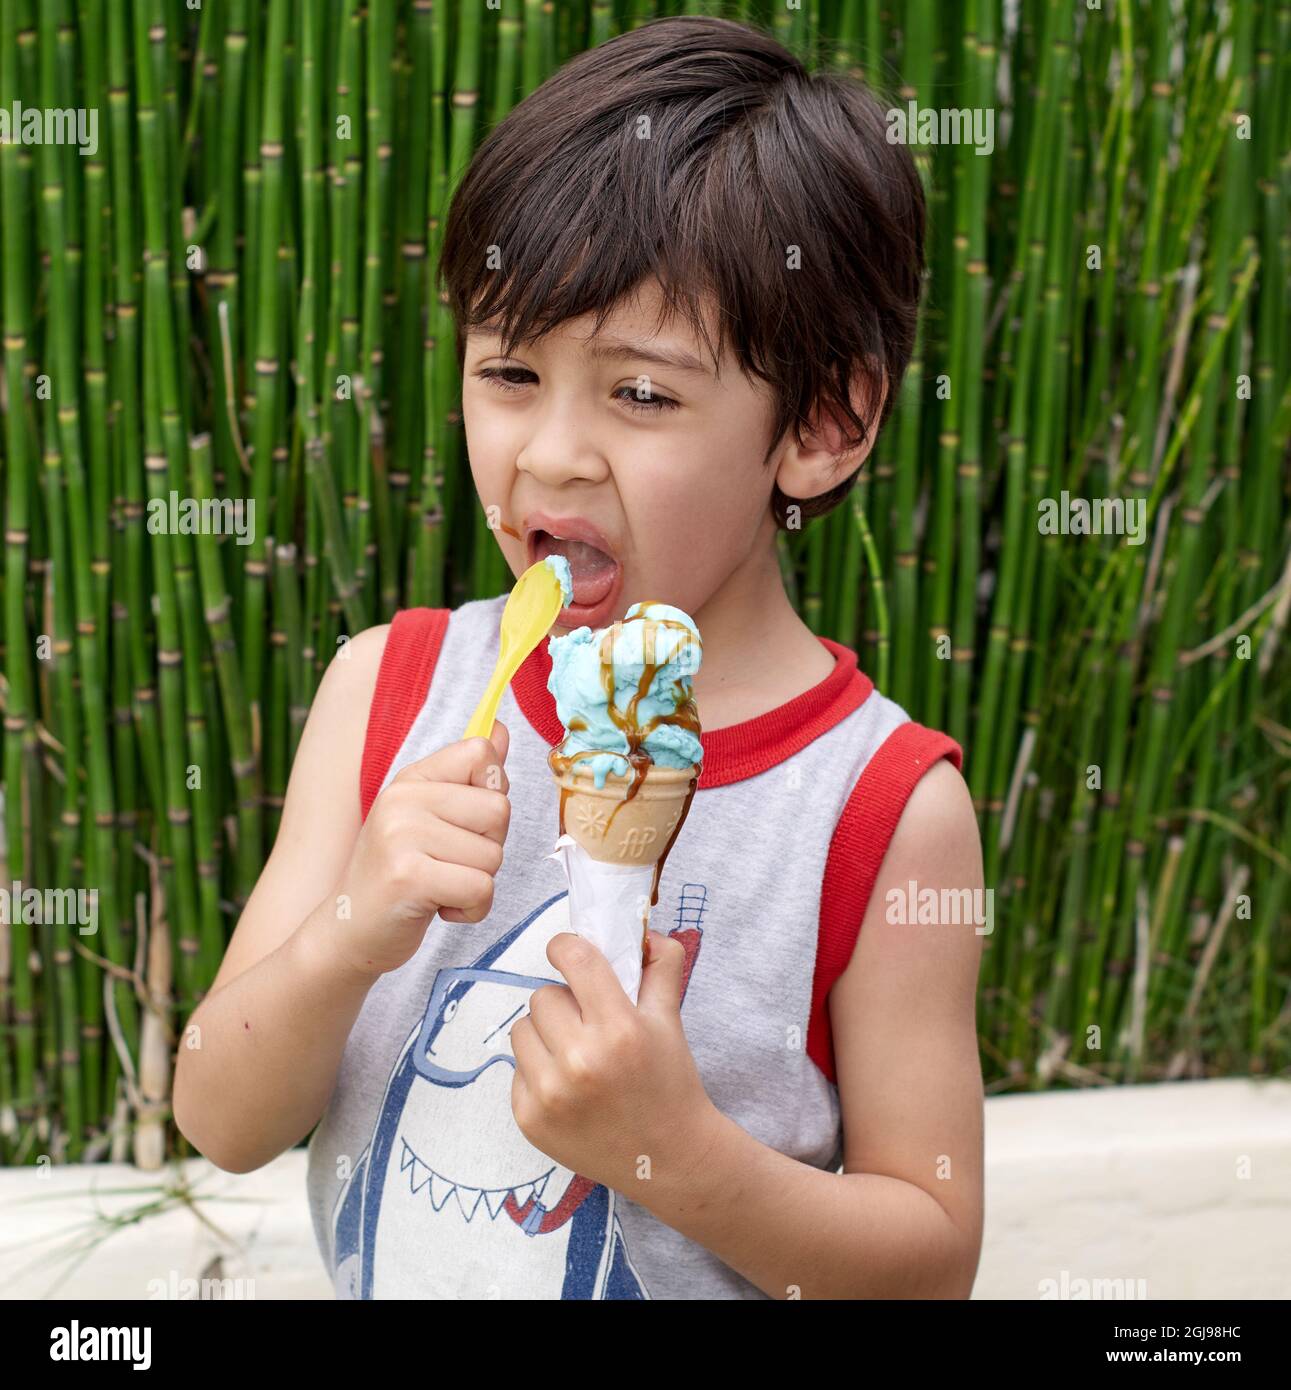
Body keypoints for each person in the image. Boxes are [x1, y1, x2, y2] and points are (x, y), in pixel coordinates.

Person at [173, 14, 985, 1300]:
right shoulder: (390, 691)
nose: (548, 455)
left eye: (641, 394)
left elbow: (932, 1263)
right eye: (507, 372)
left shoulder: (881, 810)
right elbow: (217, 1116)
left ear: (825, 423)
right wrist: (351, 929)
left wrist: (678, 1156)